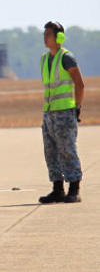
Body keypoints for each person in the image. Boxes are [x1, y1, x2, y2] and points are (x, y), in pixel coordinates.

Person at [38, 21, 85, 204]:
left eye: (48, 34)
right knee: (50, 152)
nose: (45, 37)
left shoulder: (66, 58)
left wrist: (77, 107)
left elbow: (79, 84)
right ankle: (57, 189)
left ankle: (74, 189)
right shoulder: (44, 59)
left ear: (59, 37)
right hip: (49, 113)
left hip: (65, 113)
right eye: (44, 34)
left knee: (67, 150)